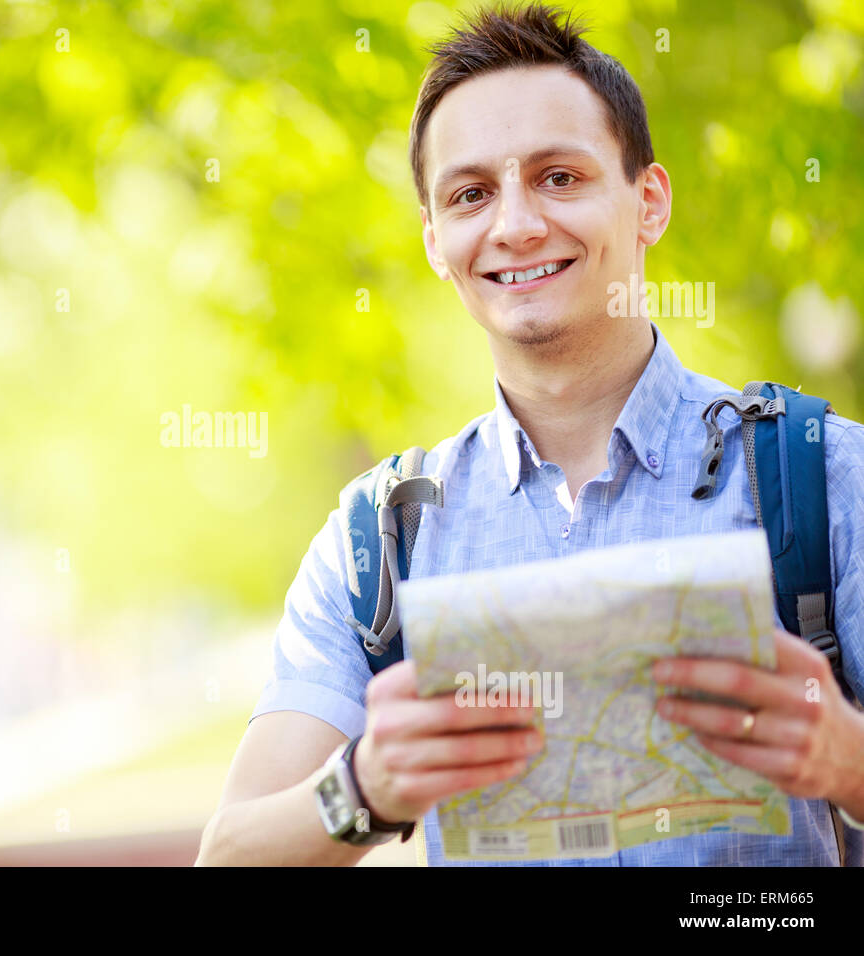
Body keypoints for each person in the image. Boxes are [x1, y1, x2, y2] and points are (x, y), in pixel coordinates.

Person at [195, 1, 864, 867]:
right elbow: (228, 855)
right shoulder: (380, 541)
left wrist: (846, 761)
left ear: (648, 202)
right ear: (437, 241)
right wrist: (363, 790)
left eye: (559, 177)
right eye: (471, 194)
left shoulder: (822, 478)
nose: (514, 225)